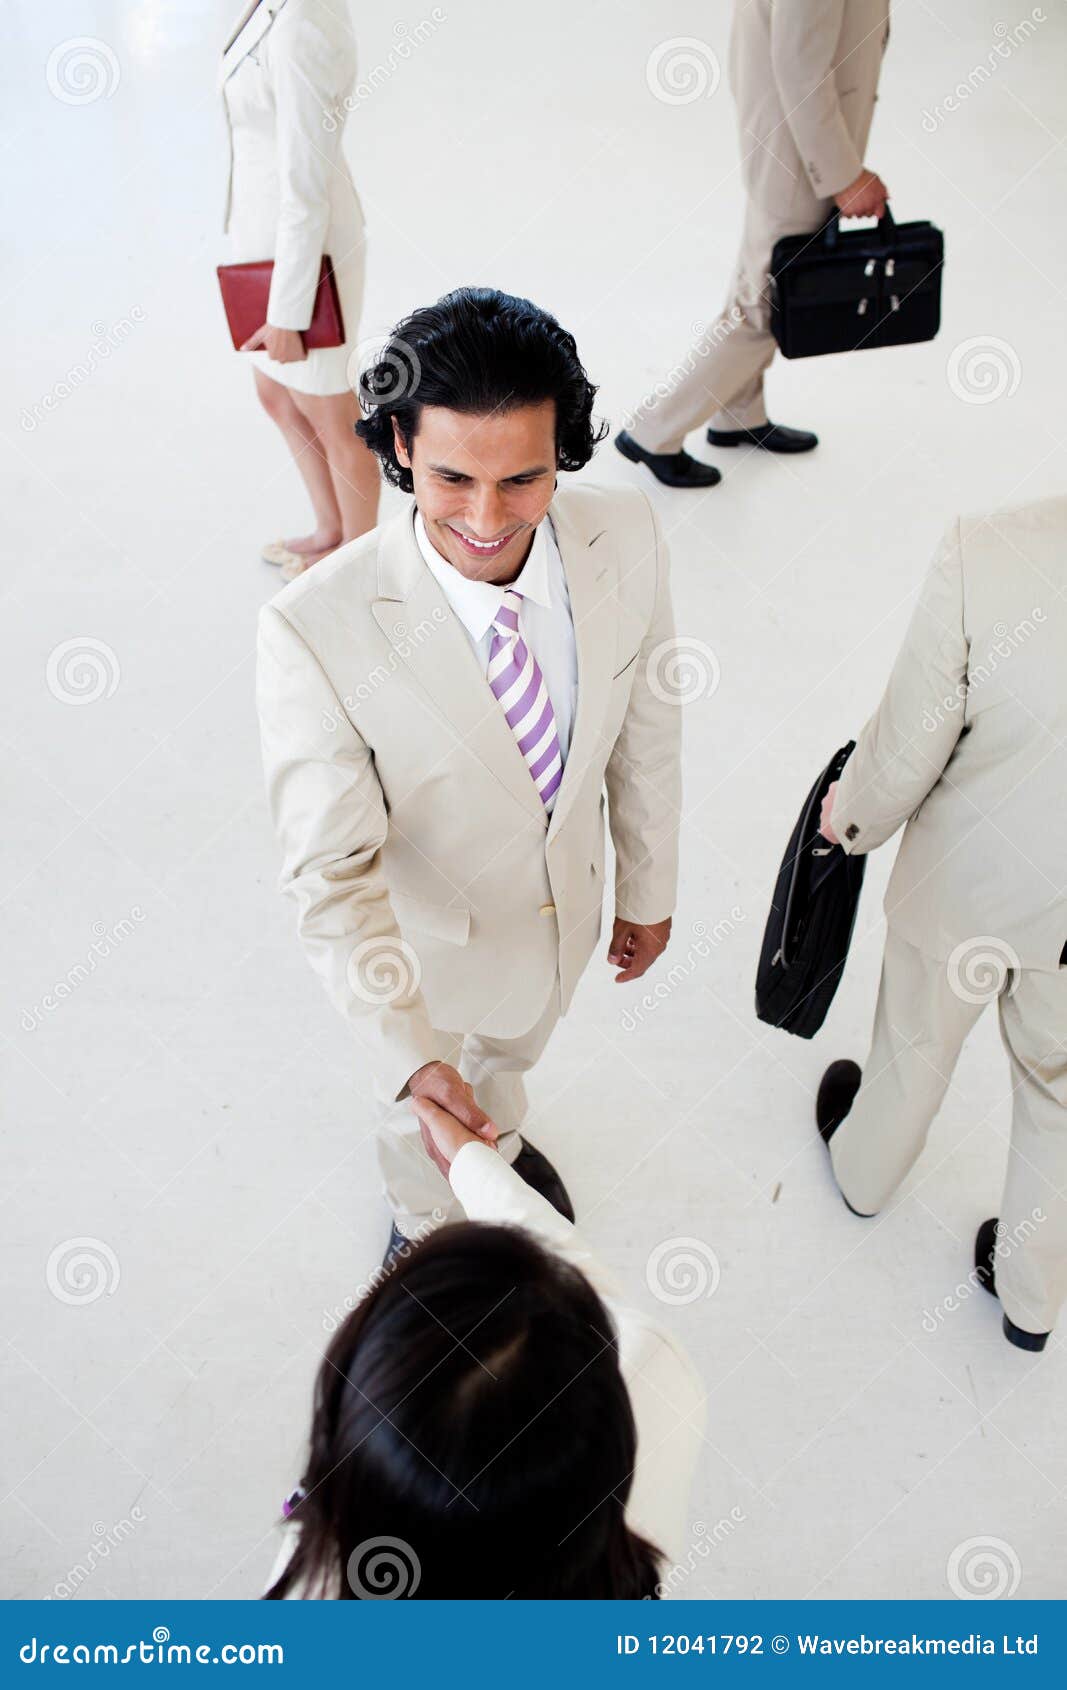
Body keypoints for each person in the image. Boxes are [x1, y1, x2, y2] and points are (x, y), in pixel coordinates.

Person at [256, 288, 682, 1260]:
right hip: (425, 973)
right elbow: (329, 877)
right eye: (452, 477)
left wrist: (646, 887)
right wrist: (409, 1060)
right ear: (399, 445)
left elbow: (647, 727)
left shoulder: (627, 536)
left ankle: (506, 1142)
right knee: (425, 1125)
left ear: (562, 454)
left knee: (507, 1065)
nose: (487, 520)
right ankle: (423, 1228)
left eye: (523, 479)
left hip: (562, 931)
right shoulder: (313, 631)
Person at [264, 1099, 706, 1598]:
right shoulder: (657, 1379)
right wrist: (473, 1165)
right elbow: (597, 1301)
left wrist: (470, 1166)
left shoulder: (306, 1593)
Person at [815, 498, 1067, 1353]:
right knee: (1059, 1094)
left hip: (970, 885)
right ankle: (1031, 1303)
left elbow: (911, 737)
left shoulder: (990, 550)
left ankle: (864, 1177)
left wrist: (852, 817)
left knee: (915, 1043)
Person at [616, 0, 890, 489]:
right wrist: (843, 176)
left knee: (757, 284)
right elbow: (798, 63)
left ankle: (739, 413)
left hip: (790, 142)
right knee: (765, 306)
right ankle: (654, 431)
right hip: (799, 152)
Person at [221, 0, 379, 579]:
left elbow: (307, 181)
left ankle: (361, 571)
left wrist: (290, 312)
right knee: (276, 392)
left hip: (308, 252)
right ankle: (331, 531)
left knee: (329, 410)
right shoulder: (270, 8)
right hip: (264, 243)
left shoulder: (301, 27)